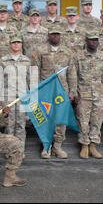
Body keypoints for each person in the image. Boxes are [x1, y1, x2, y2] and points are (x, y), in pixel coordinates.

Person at [32, 27, 77, 159]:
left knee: (61, 121)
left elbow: (72, 73)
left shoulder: (68, 52)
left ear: (61, 36)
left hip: (62, 91)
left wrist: (72, 91)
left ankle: (57, 146)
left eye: (57, 34)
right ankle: (46, 147)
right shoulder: (40, 51)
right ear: (48, 35)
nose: (55, 37)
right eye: (53, 34)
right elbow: (34, 72)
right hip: (45, 91)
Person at [74, 31, 103, 159]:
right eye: (91, 40)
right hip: (83, 93)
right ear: (86, 41)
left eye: (95, 40)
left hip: (98, 94)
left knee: (97, 120)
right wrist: (74, 92)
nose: (93, 42)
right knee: (83, 120)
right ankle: (84, 144)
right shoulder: (78, 56)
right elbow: (74, 75)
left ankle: (93, 145)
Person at [0, 34, 32, 149]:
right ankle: (9, 149)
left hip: (23, 97)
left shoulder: (26, 60)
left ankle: (19, 149)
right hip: (8, 96)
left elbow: (30, 79)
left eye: (18, 42)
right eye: (13, 42)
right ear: (10, 44)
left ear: (22, 44)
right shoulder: (3, 60)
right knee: (9, 124)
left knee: (21, 124)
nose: (16, 44)